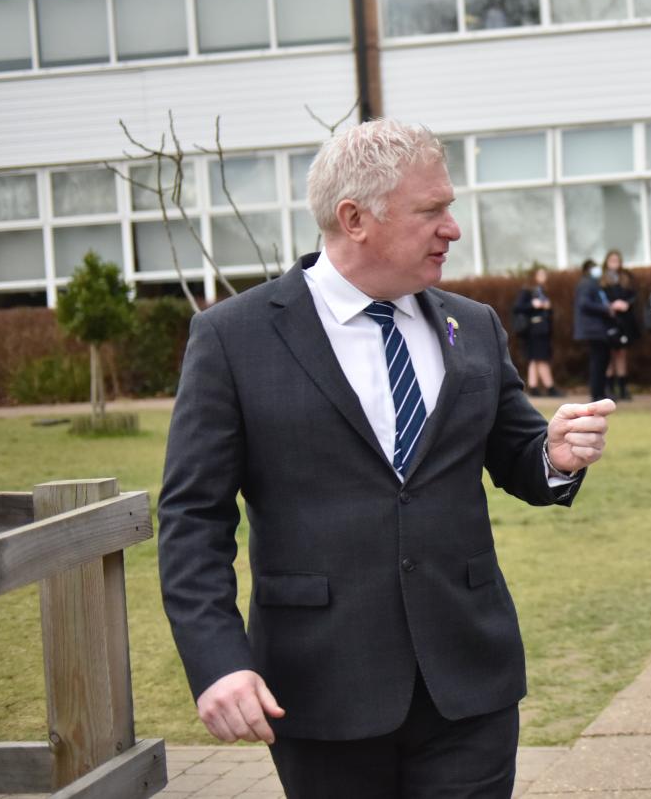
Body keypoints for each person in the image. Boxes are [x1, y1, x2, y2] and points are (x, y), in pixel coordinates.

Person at [157, 119, 613, 799]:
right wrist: (219, 663)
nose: (452, 228)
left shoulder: (473, 325)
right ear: (355, 218)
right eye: (432, 210)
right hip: (322, 689)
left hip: (469, 679)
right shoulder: (233, 338)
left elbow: (516, 452)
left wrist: (552, 453)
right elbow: (193, 518)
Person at [572, 258, 617, 402]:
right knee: (598, 361)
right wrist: (605, 309)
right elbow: (584, 304)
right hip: (593, 329)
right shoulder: (587, 283)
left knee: (602, 360)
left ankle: (600, 392)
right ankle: (597, 393)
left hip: (596, 328)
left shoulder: (592, 283)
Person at [512, 267, 559, 397]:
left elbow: (547, 312)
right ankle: (549, 387)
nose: (544, 276)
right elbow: (518, 307)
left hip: (542, 329)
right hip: (533, 329)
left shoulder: (542, 291)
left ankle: (533, 387)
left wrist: (547, 308)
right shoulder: (527, 291)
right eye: (541, 274)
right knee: (540, 358)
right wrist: (533, 304)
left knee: (535, 358)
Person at [602, 251, 638, 401]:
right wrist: (610, 306)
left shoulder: (626, 278)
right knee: (609, 355)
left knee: (621, 354)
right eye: (612, 260)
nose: (614, 262)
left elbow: (634, 295)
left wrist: (626, 303)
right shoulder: (601, 280)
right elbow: (599, 297)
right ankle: (609, 387)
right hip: (608, 321)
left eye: (617, 260)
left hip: (624, 320)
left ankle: (623, 386)